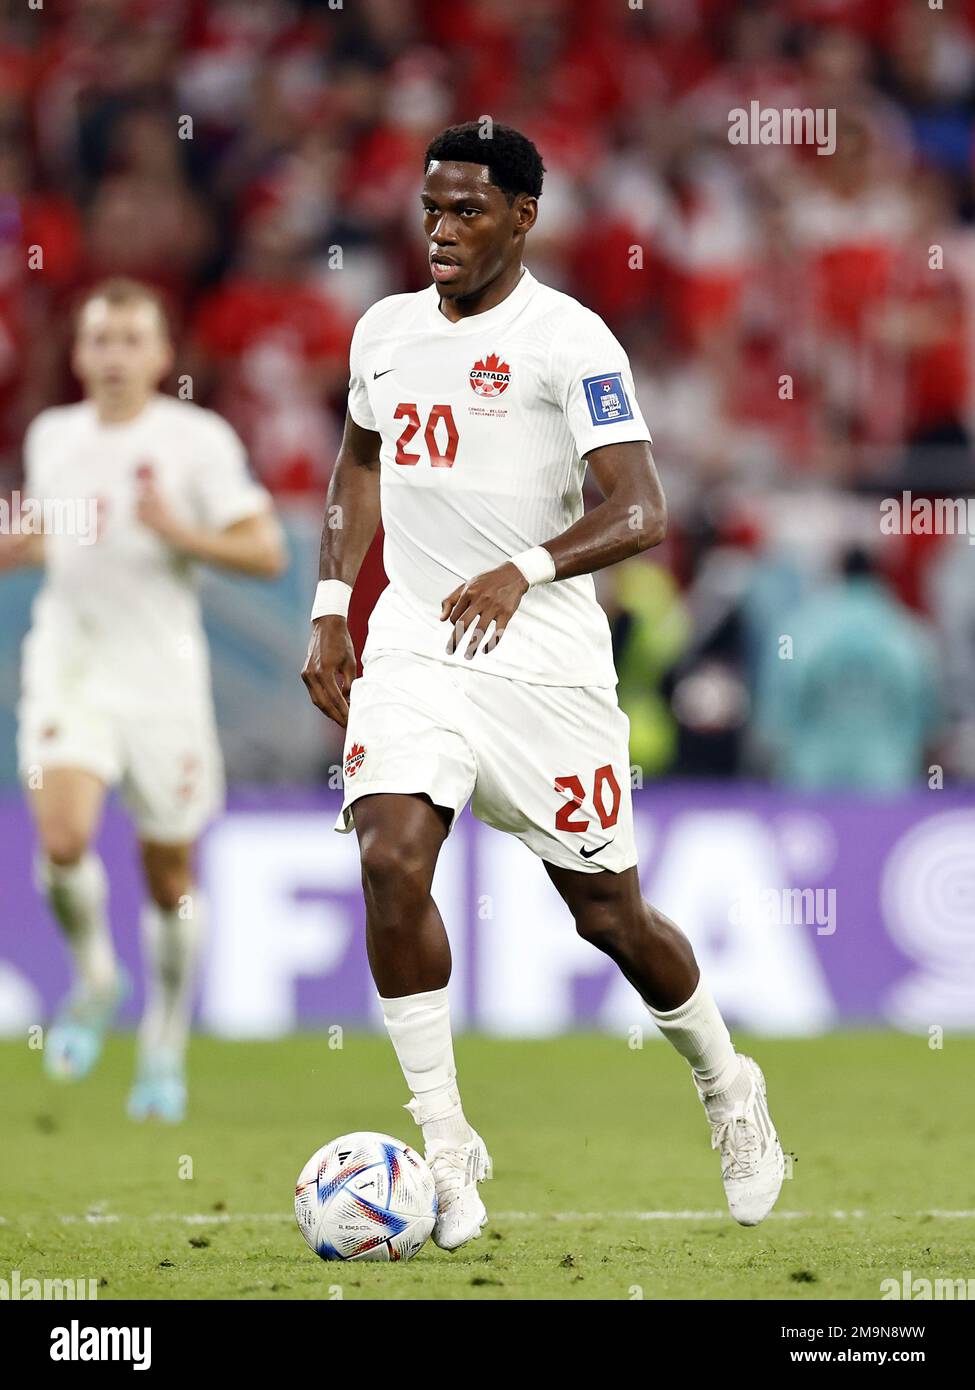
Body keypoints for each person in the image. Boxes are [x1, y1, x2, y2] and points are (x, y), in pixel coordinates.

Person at [301, 123, 784, 1249]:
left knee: (609, 913)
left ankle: (727, 1083)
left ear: (524, 216)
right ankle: (449, 1144)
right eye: (430, 208)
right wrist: (333, 603)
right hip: (416, 640)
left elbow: (643, 507)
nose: (440, 231)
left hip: (544, 665)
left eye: (467, 211)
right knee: (388, 856)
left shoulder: (571, 342)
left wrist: (525, 568)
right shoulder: (384, 331)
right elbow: (358, 460)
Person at [0, 278, 285, 1120]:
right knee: (63, 834)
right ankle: (95, 976)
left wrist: (178, 533)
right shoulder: (53, 436)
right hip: (71, 664)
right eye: (100, 339)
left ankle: (163, 1041)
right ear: (79, 353)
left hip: (160, 680)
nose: (114, 356)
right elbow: (53, 533)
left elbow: (266, 549)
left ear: (163, 355)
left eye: (131, 340)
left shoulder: (195, 440)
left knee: (168, 878)